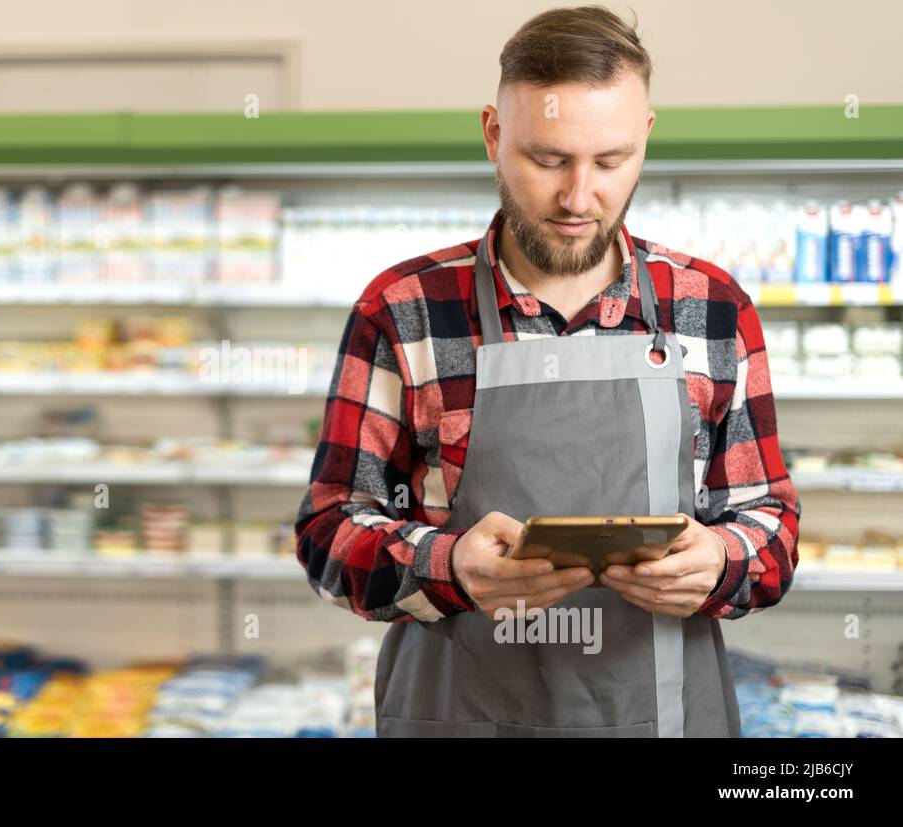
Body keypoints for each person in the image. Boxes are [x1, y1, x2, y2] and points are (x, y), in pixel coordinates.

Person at [294, 5, 801, 737]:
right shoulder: (402, 310)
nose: (578, 197)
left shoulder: (713, 309)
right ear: (494, 137)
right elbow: (328, 532)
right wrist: (449, 564)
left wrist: (723, 558)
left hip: (656, 716)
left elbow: (773, 526)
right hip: (458, 715)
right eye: (549, 159)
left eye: (610, 160)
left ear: (646, 138)